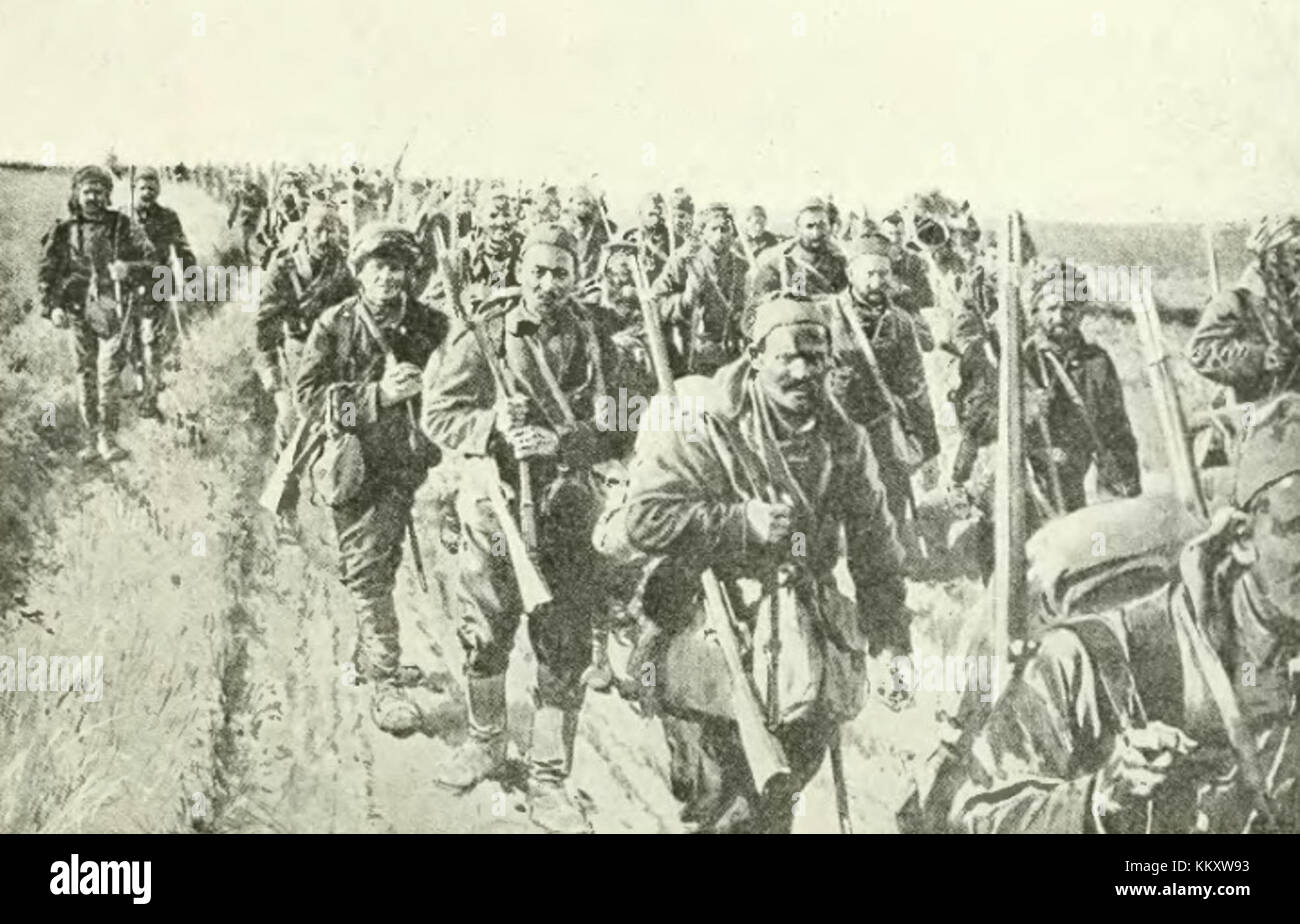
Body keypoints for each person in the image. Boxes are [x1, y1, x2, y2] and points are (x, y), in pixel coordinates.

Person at [611, 295, 908, 832]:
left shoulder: (844, 440)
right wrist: (737, 522)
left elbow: (874, 542)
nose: (803, 371)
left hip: (804, 639)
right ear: (753, 356)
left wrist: (889, 632)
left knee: (780, 790)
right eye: (787, 358)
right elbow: (645, 521)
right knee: (724, 800)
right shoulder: (706, 425)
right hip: (708, 626)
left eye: (816, 358)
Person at [945, 391, 1300, 833]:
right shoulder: (1090, 660)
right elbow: (974, 817)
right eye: (1296, 528)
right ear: (1243, 538)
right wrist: (1098, 799)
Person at [421, 224, 621, 833]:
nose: (548, 284)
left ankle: (549, 778)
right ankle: (485, 740)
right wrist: (492, 426)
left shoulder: (600, 338)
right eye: (537, 271)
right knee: (485, 630)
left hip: (568, 513)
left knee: (564, 646)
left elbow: (624, 424)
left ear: (577, 274)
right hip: (497, 508)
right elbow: (438, 414)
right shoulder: (485, 333)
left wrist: (563, 440)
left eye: (561, 272)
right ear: (520, 271)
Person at [294, 223, 448, 737]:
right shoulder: (334, 324)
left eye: (397, 266)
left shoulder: (431, 325)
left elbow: (459, 382)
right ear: (359, 273)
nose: (387, 276)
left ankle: (368, 657)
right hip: (357, 466)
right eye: (376, 266)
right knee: (368, 572)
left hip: (407, 465)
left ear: (409, 273)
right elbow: (309, 398)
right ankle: (385, 683)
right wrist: (374, 396)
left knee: (386, 560)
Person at [949, 258, 1142, 578]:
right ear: (1035, 311)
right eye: (1050, 308)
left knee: (1069, 573)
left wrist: (1122, 494)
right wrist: (1017, 412)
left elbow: (1115, 433)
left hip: (1068, 491)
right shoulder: (1013, 359)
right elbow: (974, 422)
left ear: (1080, 313)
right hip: (1014, 486)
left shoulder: (1096, 364)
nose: (1059, 318)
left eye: (1069, 309)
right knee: (1009, 577)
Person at [826, 234, 939, 551]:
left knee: (892, 494)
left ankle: (890, 560)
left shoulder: (901, 322)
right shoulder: (828, 315)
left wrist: (930, 449)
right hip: (841, 426)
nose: (877, 282)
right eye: (869, 274)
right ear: (851, 274)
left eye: (883, 274)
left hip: (885, 425)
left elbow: (915, 386)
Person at [37, 165, 155, 462]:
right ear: (77, 194)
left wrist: (129, 269)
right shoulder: (64, 231)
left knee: (108, 375)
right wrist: (52, 307)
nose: (93, 197)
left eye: (99, 192)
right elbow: (48, 272)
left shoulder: (122, 226)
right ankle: (91, 439)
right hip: (77, 311)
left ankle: (108, 438)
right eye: (87, 191)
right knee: (84, 375)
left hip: (113, 310)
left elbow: (154, 263)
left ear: (107, 195)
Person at [1190, 215, 1300, 403]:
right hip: (1255, 414)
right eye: (1297, 252)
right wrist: (1260, 357)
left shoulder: (1295, 299)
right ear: (1273, 256)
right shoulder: (1235, 301)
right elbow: (1199, 352)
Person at [651, 203, 748, 377]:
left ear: (732, 233)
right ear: (703, 233)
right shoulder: (683, 262)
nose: (720, 235)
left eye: (725, 229)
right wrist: (684, 301)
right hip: (691, 355)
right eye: (714, 229)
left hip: (732, 354)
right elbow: (655, 303)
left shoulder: (742, 266)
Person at [131, 167, 197, 416]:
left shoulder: (168, 216)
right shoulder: (123, 217)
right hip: (129, 285)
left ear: (158, 190)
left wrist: (191, 278)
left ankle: (149, 397)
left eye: (151, 187)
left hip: (160, 281)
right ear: (135, 189)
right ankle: (141, 374)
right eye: (142, 188)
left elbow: (182, 248)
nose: (147, 192)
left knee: (152, 340)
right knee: (131, 341)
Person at [746, 197, 848, 309]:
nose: (816, 233)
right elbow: (757, 299)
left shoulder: (839, 260)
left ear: (829, 227)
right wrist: (776, 298)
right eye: (809, 226)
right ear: (798, 229)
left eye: (821, 225)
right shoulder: (778, 259)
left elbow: (847, 299)